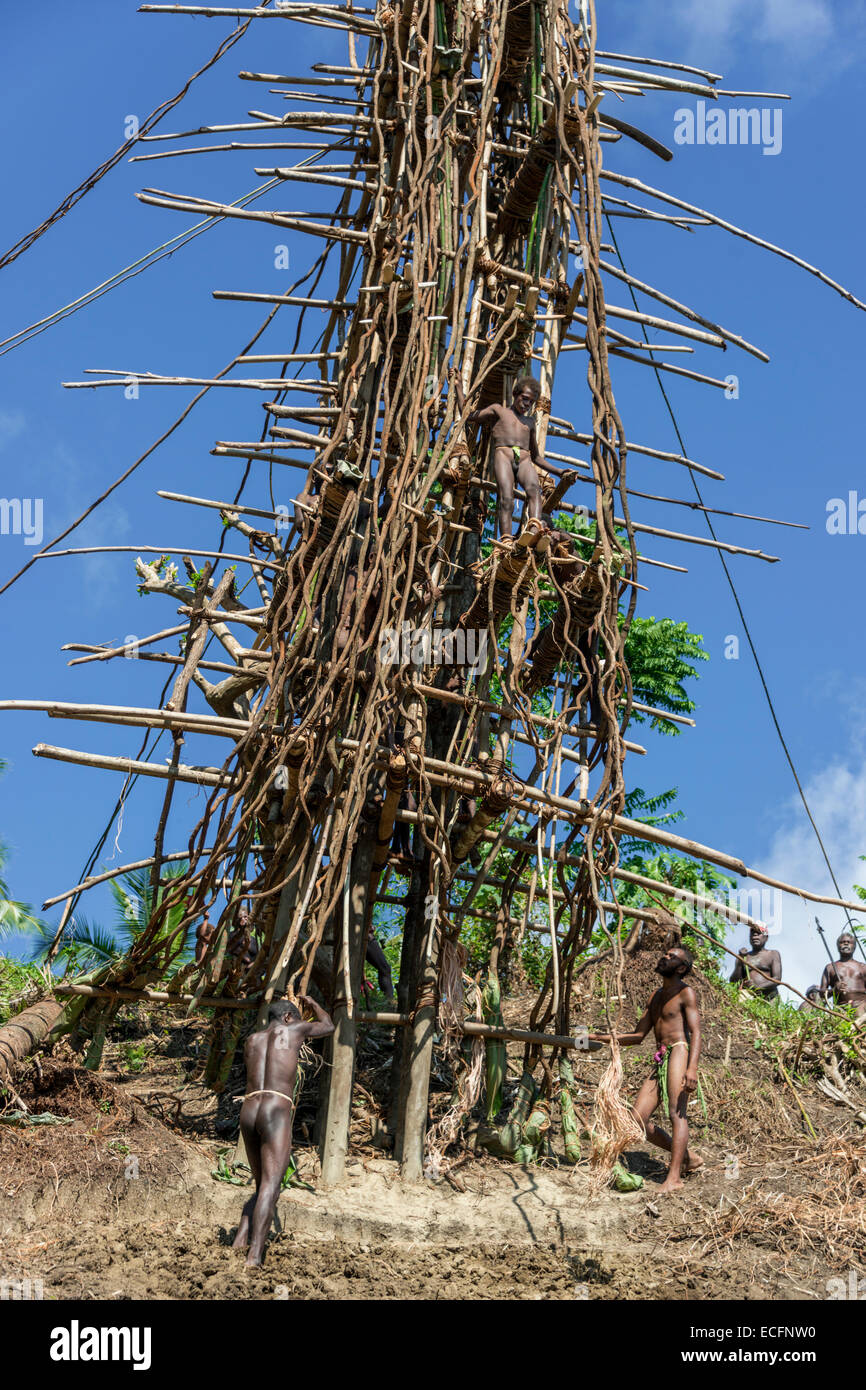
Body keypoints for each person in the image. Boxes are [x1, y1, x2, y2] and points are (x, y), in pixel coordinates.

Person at [591, 944, 703, 1195]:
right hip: (661, 1057)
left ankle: (674, 1177)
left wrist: (692, 1068)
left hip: (679, 1051)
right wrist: (599, 1037)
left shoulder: (686, 993)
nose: (664, 957)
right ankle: (687, 1158)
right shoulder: (656, 996)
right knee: (637, 1120)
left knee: (677, 1113)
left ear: (682, 967)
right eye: (665, 954)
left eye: (671, 957)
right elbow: (639, 1035)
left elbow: (696, 1032)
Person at [232, 995, 334, 1266]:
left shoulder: (252, 1040)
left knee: (261, 1184)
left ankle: (240, 1241)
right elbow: (328, 1026)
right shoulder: (295, 1029)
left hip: (249, 1108)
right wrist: (313, 1004)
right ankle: (254, 1257)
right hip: (275, 1109)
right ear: (288, 1018)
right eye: (297, 1017)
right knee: (271, 1185)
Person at [453, 372, 546, 541]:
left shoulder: (530, 422)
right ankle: (507, 539)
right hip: (503, 454)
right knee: (506, 496)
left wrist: (560, 472)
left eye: (531, 402)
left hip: (524, 459)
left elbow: (537, 457)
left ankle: (534, 529)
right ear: (515, 394)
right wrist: (459, 387)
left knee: (534, 490)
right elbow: (469, 415)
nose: (527, 404)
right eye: (524, 398)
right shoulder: (499, 410)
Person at [729, 925, 782, 1002]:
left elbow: (777, 979)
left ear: (766, 937)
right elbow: (734, 982)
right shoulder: (744, 957)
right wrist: (740, 961)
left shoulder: (772, 954)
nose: (755, 935)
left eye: (759, 933)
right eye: (753, 933)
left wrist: (757, 987)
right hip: (749, 997)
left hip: (769, 997)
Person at [819, 932, 866, 1018]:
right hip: (841, 1009)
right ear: (837, 946)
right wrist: (834, 990)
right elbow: (822, 994)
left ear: (854, 946)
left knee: (859, 1013)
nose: (845, 944)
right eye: (842, 942)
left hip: (861, 1006)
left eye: (849, 942)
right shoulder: (830, 968)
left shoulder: (863, 967)